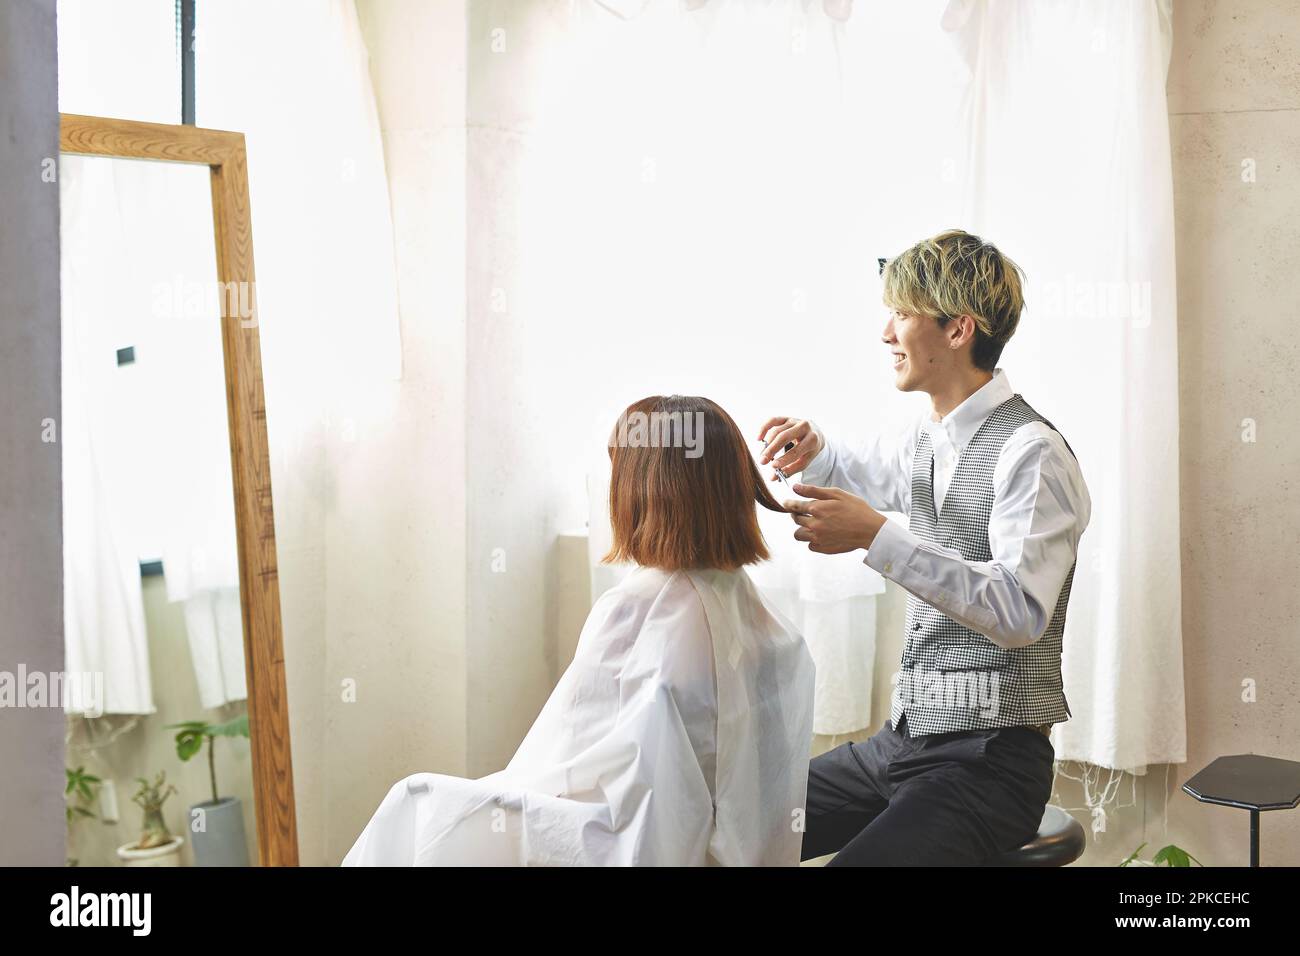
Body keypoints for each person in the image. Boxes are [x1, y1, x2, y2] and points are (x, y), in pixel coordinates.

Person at [344, 395, 815, 866]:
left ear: (645, 488)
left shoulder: (635, 610)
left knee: (410, 806)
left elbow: (550, 772)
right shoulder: (765, 619)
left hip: (628, 847)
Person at [759, 229, 1091, 866]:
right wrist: (815, 449)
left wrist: (878, 537)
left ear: (959, 330)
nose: (887, 333)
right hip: (900, 746)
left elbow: (1020, 611)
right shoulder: (930, 436)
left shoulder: (1033, 454)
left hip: (989, 765)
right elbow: (859, 467)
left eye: (902, 314)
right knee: (729, 821)